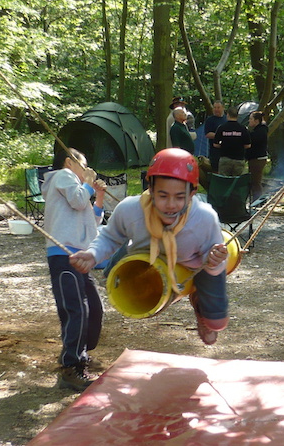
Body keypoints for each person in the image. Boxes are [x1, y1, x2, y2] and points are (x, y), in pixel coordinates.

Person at [70, 148, 230, 345]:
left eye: (180, 197)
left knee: (217, 322)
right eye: (162, 196)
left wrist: (215, 262)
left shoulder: (204, 217)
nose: (171, 205)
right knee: (113, 275)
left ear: (192, 194)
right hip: (146, 255)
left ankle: (198, 300)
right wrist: (92, 254)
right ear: (151, 189)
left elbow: (216, 261)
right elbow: (110, 237)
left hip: (194, 263)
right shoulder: (130, 209)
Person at [41, 148, 107, 391]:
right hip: (63, 254)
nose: (88, 170)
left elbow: (93, 220)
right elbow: (79, 200)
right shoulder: (62, 176)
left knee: (94, 308)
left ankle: (80, 354)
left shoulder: (76, 187)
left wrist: (97, 196)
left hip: (79, 256)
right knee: (76, 310)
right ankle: (71, 367)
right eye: (84, 165)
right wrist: (89, 183)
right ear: (69, 162)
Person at [212, 106, 250, 176]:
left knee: (224, 181)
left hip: (225, 159)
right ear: (237, 116)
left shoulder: (222, 128)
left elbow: (215, 144)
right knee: (236, 182)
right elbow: (248, 145)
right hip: (239, 159)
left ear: (228, 115)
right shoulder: (243, 128)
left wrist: (223, 146)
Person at [246, 111, 269, 199]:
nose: (249, 121)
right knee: (254, 181)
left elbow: (252, 142)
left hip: (258, 159)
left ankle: (258, 201)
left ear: (256, 121)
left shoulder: (260, 131)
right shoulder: (259, 130)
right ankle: (256, 200)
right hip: (255, 158)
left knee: (256, 182)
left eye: (251, 119)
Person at [202, 100, 227, 171]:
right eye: (214, 107)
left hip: (226, 151)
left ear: (223, 108)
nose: (216, 109)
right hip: (214, 151)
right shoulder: (210, 120)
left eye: (218, 107)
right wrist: (221, 135)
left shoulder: (226, 119)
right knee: (215, 170)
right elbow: (208, 134)